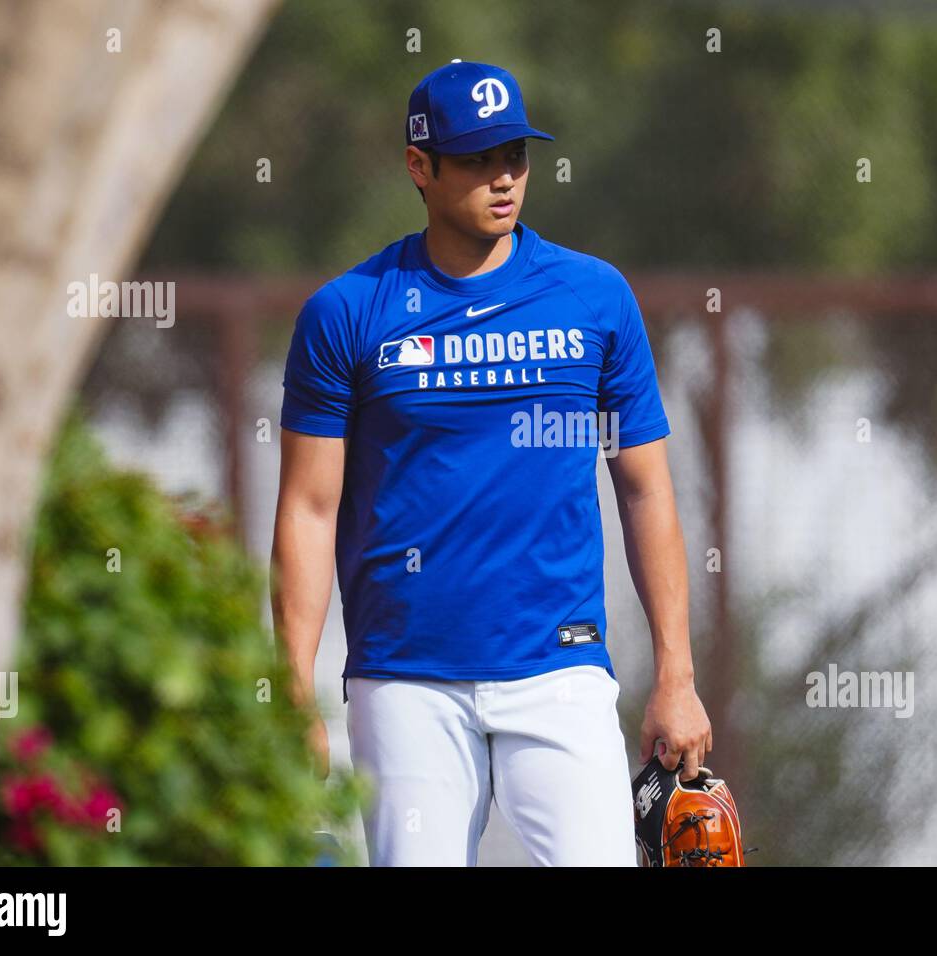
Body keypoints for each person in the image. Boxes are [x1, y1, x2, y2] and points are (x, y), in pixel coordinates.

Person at [270, 59, 711, 866]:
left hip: (561, 666)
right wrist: (293, 690)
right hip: (405, 678)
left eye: (514, 154)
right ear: (419, 167)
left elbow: (646, 491)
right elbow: (307, 508)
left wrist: (676, 676)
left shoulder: (594, 298)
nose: (503, 177)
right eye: (476, 158)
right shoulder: (348, 312)